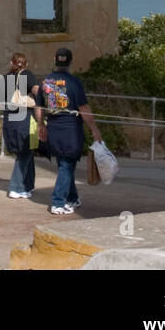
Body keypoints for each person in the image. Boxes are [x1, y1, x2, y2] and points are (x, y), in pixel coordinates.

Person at [34, 47, 104, 215]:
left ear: (55, 60)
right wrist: (94, 129)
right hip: (71, 130)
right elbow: (83, 108)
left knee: (64, 164)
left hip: (54, 128)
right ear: (71, 62)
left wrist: (41, 126)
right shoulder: (74, 83)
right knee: (67, 165)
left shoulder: (46, 82)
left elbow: (38, 106)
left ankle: (72, 197)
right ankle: (58, 202)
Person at [0, 52, 39, 199]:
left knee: (27, 152)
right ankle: (16, 187)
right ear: (26, 64)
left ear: (11, 63)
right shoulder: (27, 75)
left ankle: (28, 185)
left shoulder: (4, 79)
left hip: (9, 121)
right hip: (25, 119)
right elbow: (37, 91)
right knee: (25, 152)